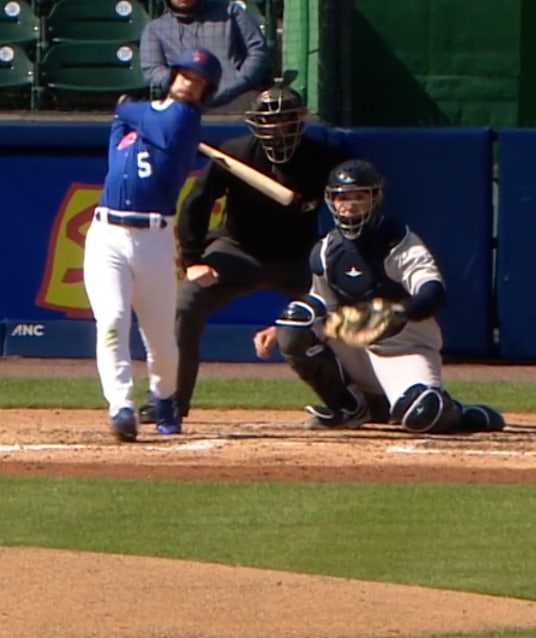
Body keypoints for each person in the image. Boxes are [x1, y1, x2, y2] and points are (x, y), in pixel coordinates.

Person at [138, 84, 348, 424]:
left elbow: (348, 206)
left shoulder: (323, 158)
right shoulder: (235, 153)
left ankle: (350, 401)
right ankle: (168, 399)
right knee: (185, 305)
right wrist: (193, 260)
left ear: (299, 121)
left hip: (297, 257)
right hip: (237, 251)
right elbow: (196, 204)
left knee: (341, 309)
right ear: (256, 124)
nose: (277, 128)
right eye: (269, 121)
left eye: (285, 120)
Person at [252, 159, 505, 432]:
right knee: (293, 322)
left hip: (404, 348)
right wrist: (281, 330)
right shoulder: (326, 250)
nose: (349, 206)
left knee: (422, 415)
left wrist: (398, 313)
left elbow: (433, 292)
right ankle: (349, 407)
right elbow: (321, 304)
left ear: (375, 199)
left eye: (358, 197)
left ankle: (458, 412)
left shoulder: (397, 240)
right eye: (342, 198)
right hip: (356, 345)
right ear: (331, 201)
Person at [86, 48, 221, 442]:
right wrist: (127, 113)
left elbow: (132, 113)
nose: (189, 84)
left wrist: (125, 108)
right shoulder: (138, 119)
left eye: (198, 82)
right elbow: (120, 137)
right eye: (185, 75)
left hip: (154, 239)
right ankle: (120, 406)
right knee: (111, 319)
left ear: (205, 92)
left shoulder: (185, 120)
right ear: (173, 75)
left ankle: (164, 399)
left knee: (159, 336)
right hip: (106, 233)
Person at [138, 0, 269, 112]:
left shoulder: (231, 12)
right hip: (183, 103)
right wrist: (188, 86)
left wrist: (240, 81)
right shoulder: (154, 29)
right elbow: (153, 71)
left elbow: (258, 50)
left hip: (236, 96)